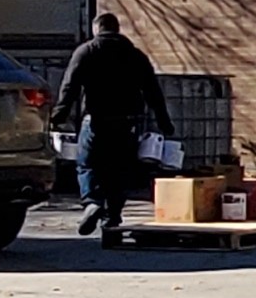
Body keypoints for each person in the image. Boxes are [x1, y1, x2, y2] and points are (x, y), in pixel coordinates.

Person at [52, 13, 172, 240]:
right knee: (119, 171)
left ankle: (92, 201)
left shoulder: (86, 51)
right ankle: (112, 220)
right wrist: (164, 121)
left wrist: (59, 115)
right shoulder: (135, 56)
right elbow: (153, 91)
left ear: (97, 29)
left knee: (87, 165)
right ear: (117, 29)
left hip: (96, 120)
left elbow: (70, 87)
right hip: (127, 122)